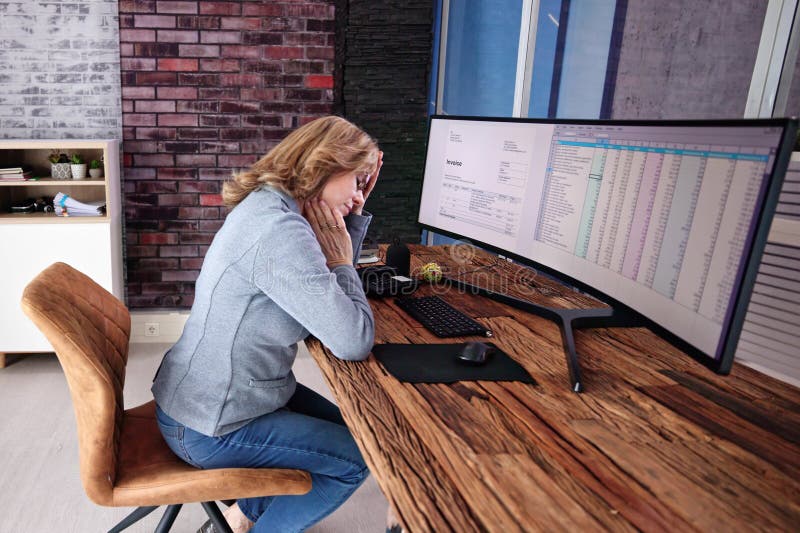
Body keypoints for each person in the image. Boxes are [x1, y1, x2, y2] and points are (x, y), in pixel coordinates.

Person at [151, 115, 384, 533]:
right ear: (326, 165)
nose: (357, 193)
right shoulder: (279, 231)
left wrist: (350, 221)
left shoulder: (270, 204)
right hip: (211, 424)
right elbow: (352, 339)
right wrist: (343, 261)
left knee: (364, 431)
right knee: (359, 456)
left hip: (211, 401)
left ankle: (241, 517)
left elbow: (324, 300)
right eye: (357, 180)